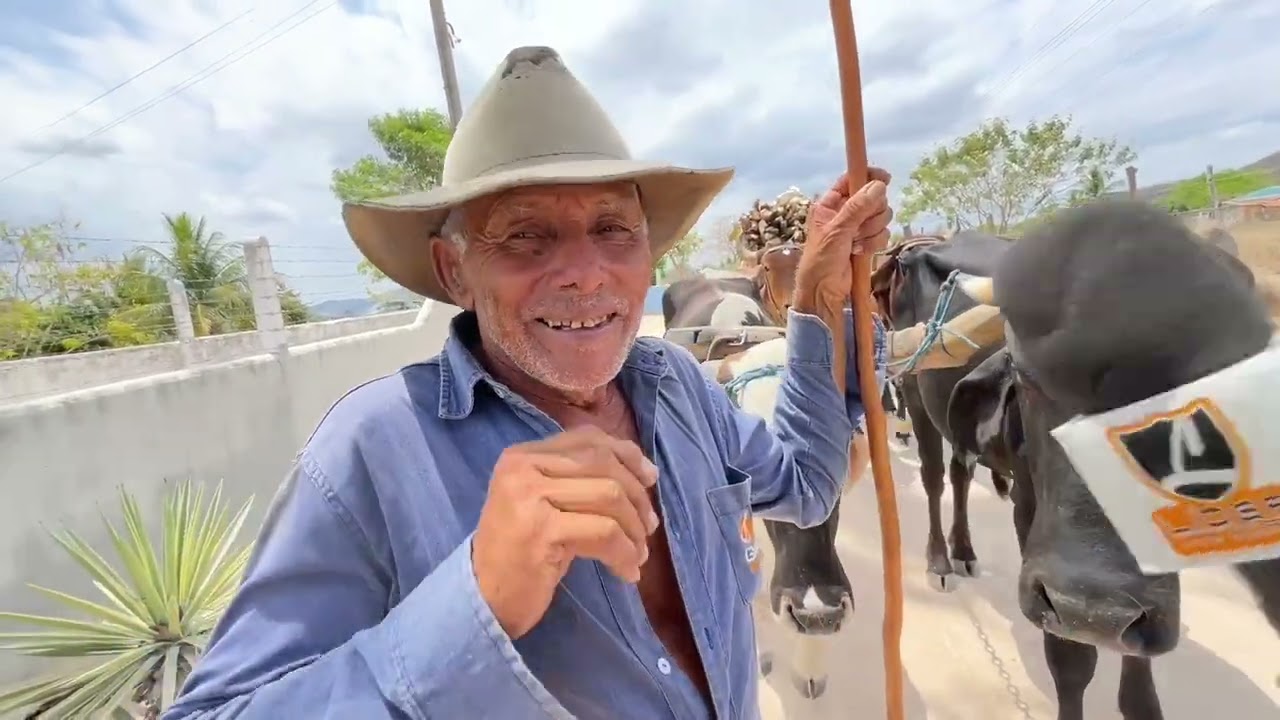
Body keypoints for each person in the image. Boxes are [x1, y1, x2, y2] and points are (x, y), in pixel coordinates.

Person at [165, 45, 892, 720]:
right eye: (524, 235)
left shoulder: (676, 384)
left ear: (647, 250)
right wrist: (475, 601)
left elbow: (806, 484)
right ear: (455, 272)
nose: (584, 272)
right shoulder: (373, 452)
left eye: (612, 228)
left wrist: (818, 297)